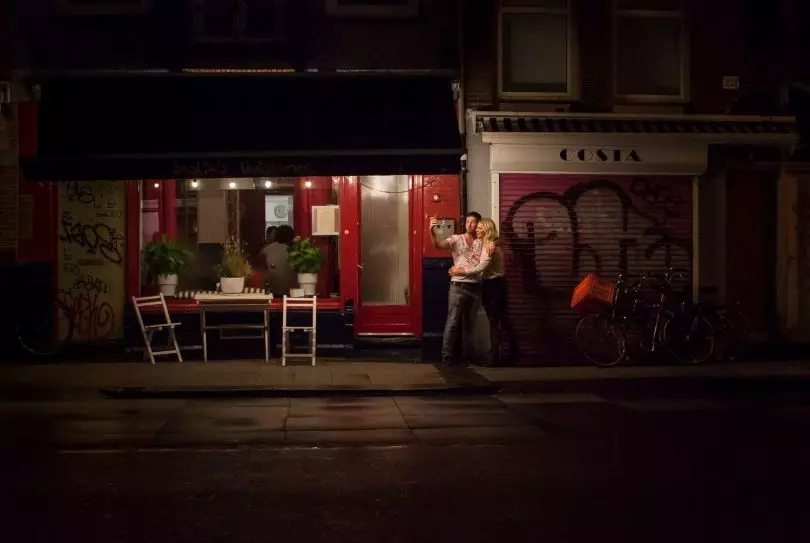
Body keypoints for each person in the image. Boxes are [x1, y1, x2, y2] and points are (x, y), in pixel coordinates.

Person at [449, 218, 519, 366]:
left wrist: (459, 270)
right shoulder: (488, 244)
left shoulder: (489, 247)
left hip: (494, 285)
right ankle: (508, 351)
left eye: (480, 228)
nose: (477, 230)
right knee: (499, 320)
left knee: (495, 321)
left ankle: (496, 357)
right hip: (492, 284)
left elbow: (478, 268)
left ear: (487, 229)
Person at [429, 211, 483, 365]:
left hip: (475, 287)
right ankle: (446, 356)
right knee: (452, 322)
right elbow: (437, 245)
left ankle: (468, 357)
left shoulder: (482, 241)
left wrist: (493, 242)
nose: (469, 224)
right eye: (467, 221)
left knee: (469, 324)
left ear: (478, 224)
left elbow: (499, 241)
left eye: (473, 222)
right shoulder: (456, 239)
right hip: (458, 286)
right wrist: (431, 231)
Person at [261, 224, 297, 296]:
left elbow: (259, 258)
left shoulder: (269, 248)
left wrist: (266, 270)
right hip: (293, 291)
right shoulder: (295, 248)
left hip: (273, 290)